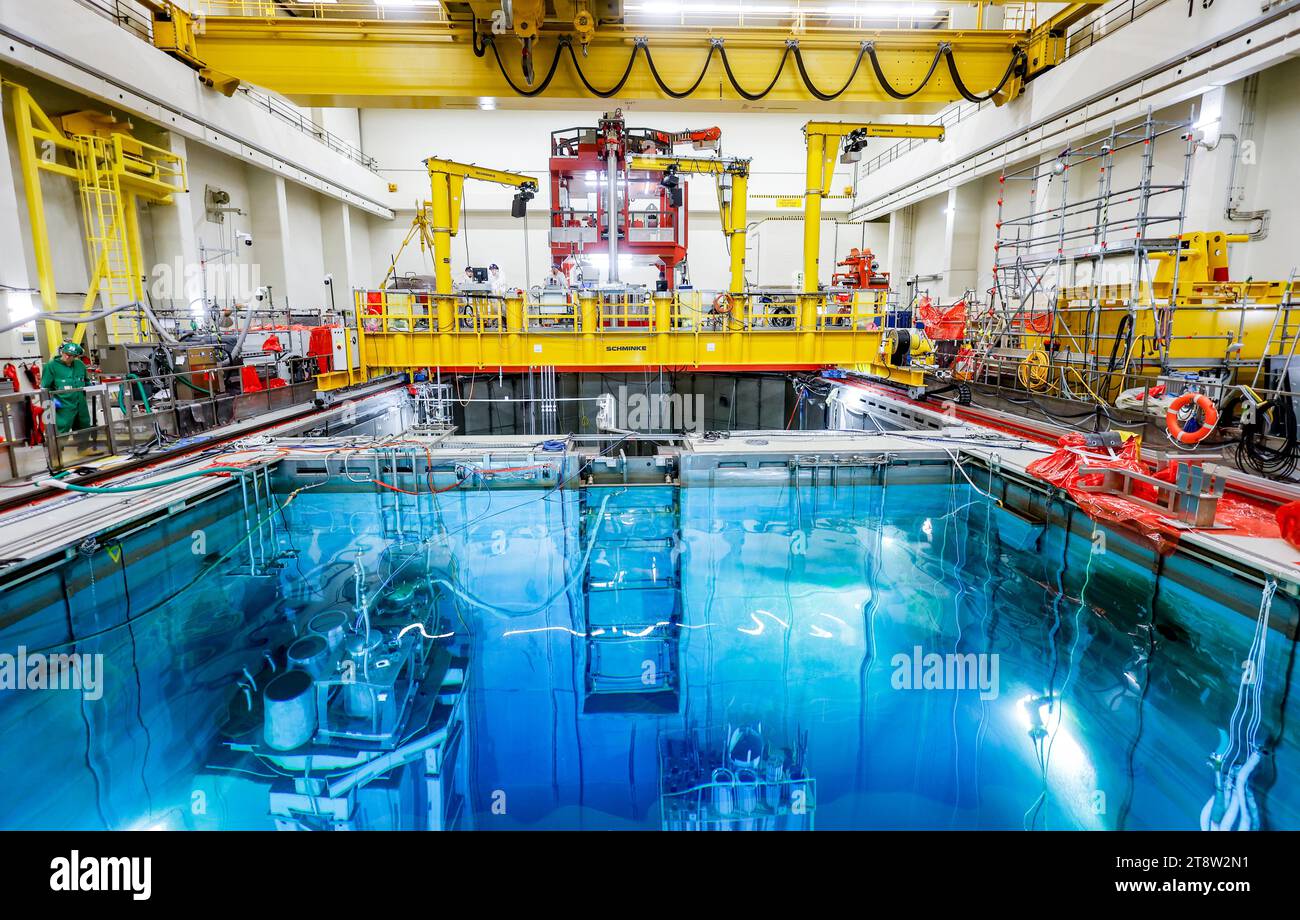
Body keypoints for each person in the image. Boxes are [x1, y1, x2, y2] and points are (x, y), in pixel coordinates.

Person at [41, 342, 91, 434]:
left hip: (81, 405)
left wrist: (93, 389)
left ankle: (84, 447)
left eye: (71, 355)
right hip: (63, 407)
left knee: (84, 428)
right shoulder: (51, 366)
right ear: (62, 352)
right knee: (60, 432)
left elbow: (86, 381)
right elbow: (45, 388)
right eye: (66, 354)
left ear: (75, 356)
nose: (67, 357)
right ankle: (59, 448)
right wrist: (52, 403)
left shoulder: (80, 365)